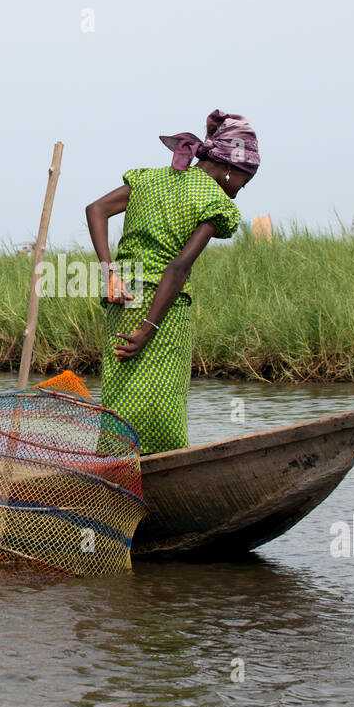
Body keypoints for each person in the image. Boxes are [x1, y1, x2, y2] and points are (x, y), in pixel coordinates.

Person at [85, 109, 259, 453]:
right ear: (228, 168)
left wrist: (109, 274)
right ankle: (163, 464)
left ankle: (115, 459)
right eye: (245, 179)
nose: (240, 190)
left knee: (122, 388)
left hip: (125, 297)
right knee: (163, 397)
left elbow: (95, 209)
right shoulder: (213, 200)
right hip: (164, 310)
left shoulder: (148, 179)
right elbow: (177, 268)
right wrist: (149, 329)